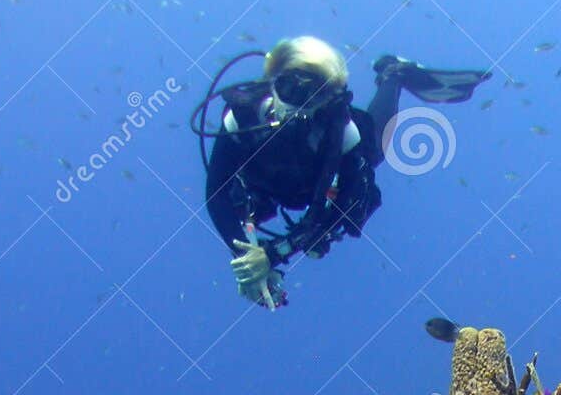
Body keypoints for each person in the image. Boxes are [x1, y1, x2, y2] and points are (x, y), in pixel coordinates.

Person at [198, 36, 490, 308]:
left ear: (326, 100)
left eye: (312, 97)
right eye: (290, 89)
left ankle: (393, 75)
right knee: (242, 206)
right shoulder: (241, 118)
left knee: (375, 145)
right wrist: (248, 259)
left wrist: (275, 254)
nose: (296, 107)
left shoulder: (341, 134)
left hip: (316, 182)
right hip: (266, 185)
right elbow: (216, 193)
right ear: (272, 82)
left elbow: (341, 209)